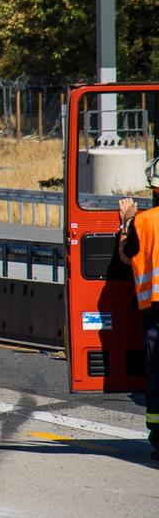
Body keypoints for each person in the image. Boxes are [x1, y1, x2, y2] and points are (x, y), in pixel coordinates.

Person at [114, 158, 159, 460]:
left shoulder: (145, 221)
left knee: (157, 376)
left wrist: (124, 223)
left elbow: (126, 258)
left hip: (157, 314)